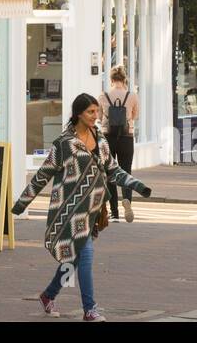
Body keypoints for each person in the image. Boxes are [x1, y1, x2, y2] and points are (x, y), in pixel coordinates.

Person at [11, 93, 152, 322]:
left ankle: (48, 295)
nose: (95, 116)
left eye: (97, 111)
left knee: (73, 259)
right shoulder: (64, 144)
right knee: (85, 256)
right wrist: (20, 205)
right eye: (90, 112)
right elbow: (43, 174)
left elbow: (113, 170)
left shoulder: (101, 140)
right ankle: (90, 309)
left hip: (91, 211)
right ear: (78, 114)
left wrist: (138, 186)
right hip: (69, 212)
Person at [102, 65, 138, 222]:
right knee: (126, 172)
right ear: (125, 80)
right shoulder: (132, 96)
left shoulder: (103, 96)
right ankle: (127, 201)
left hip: (108, 137)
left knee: (110, 173)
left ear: (111, 80)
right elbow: (135, 115)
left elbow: (98, 116)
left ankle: (114, 212)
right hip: (126, 137)